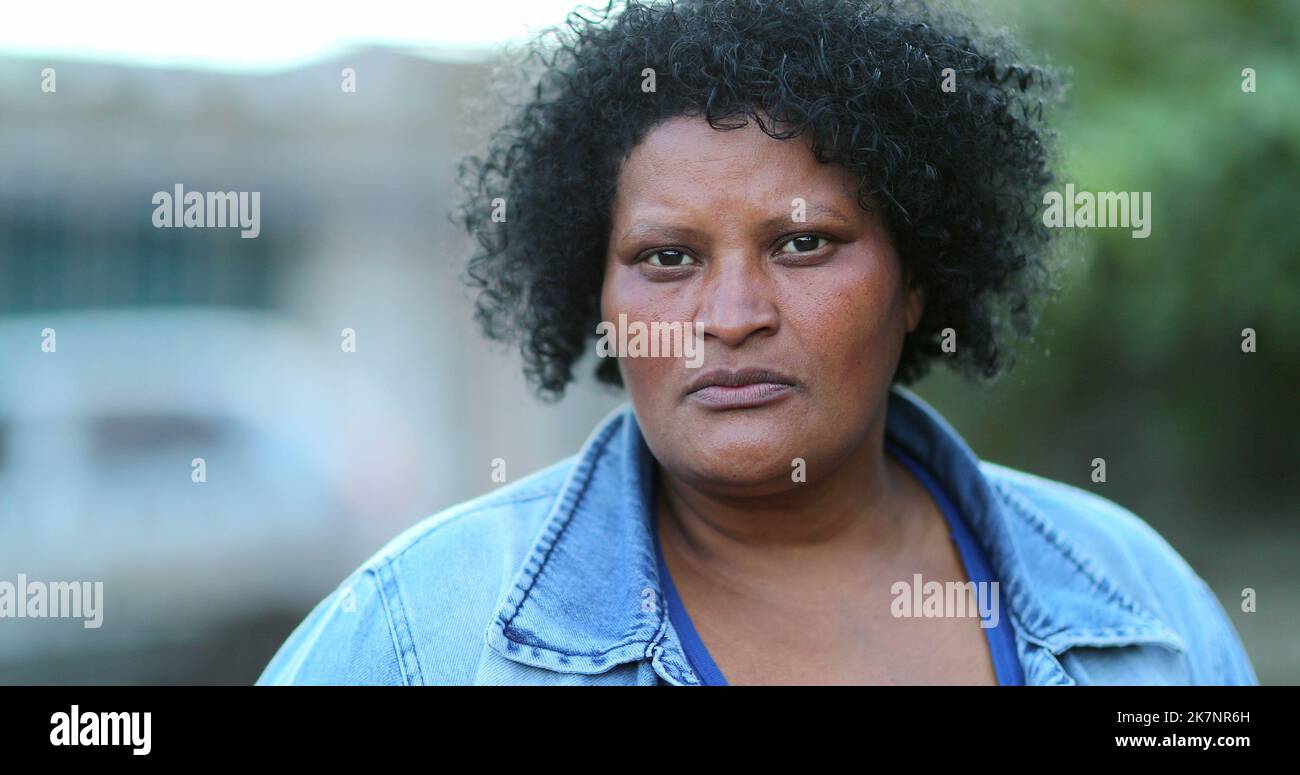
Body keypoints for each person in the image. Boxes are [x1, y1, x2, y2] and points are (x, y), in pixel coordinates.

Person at [257, 0, 1257, 685]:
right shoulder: (420, 632)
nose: (730, 313)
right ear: (596, 292)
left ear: (914, 283)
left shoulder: (1139, 606)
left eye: (802, 243)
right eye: (663, 257)